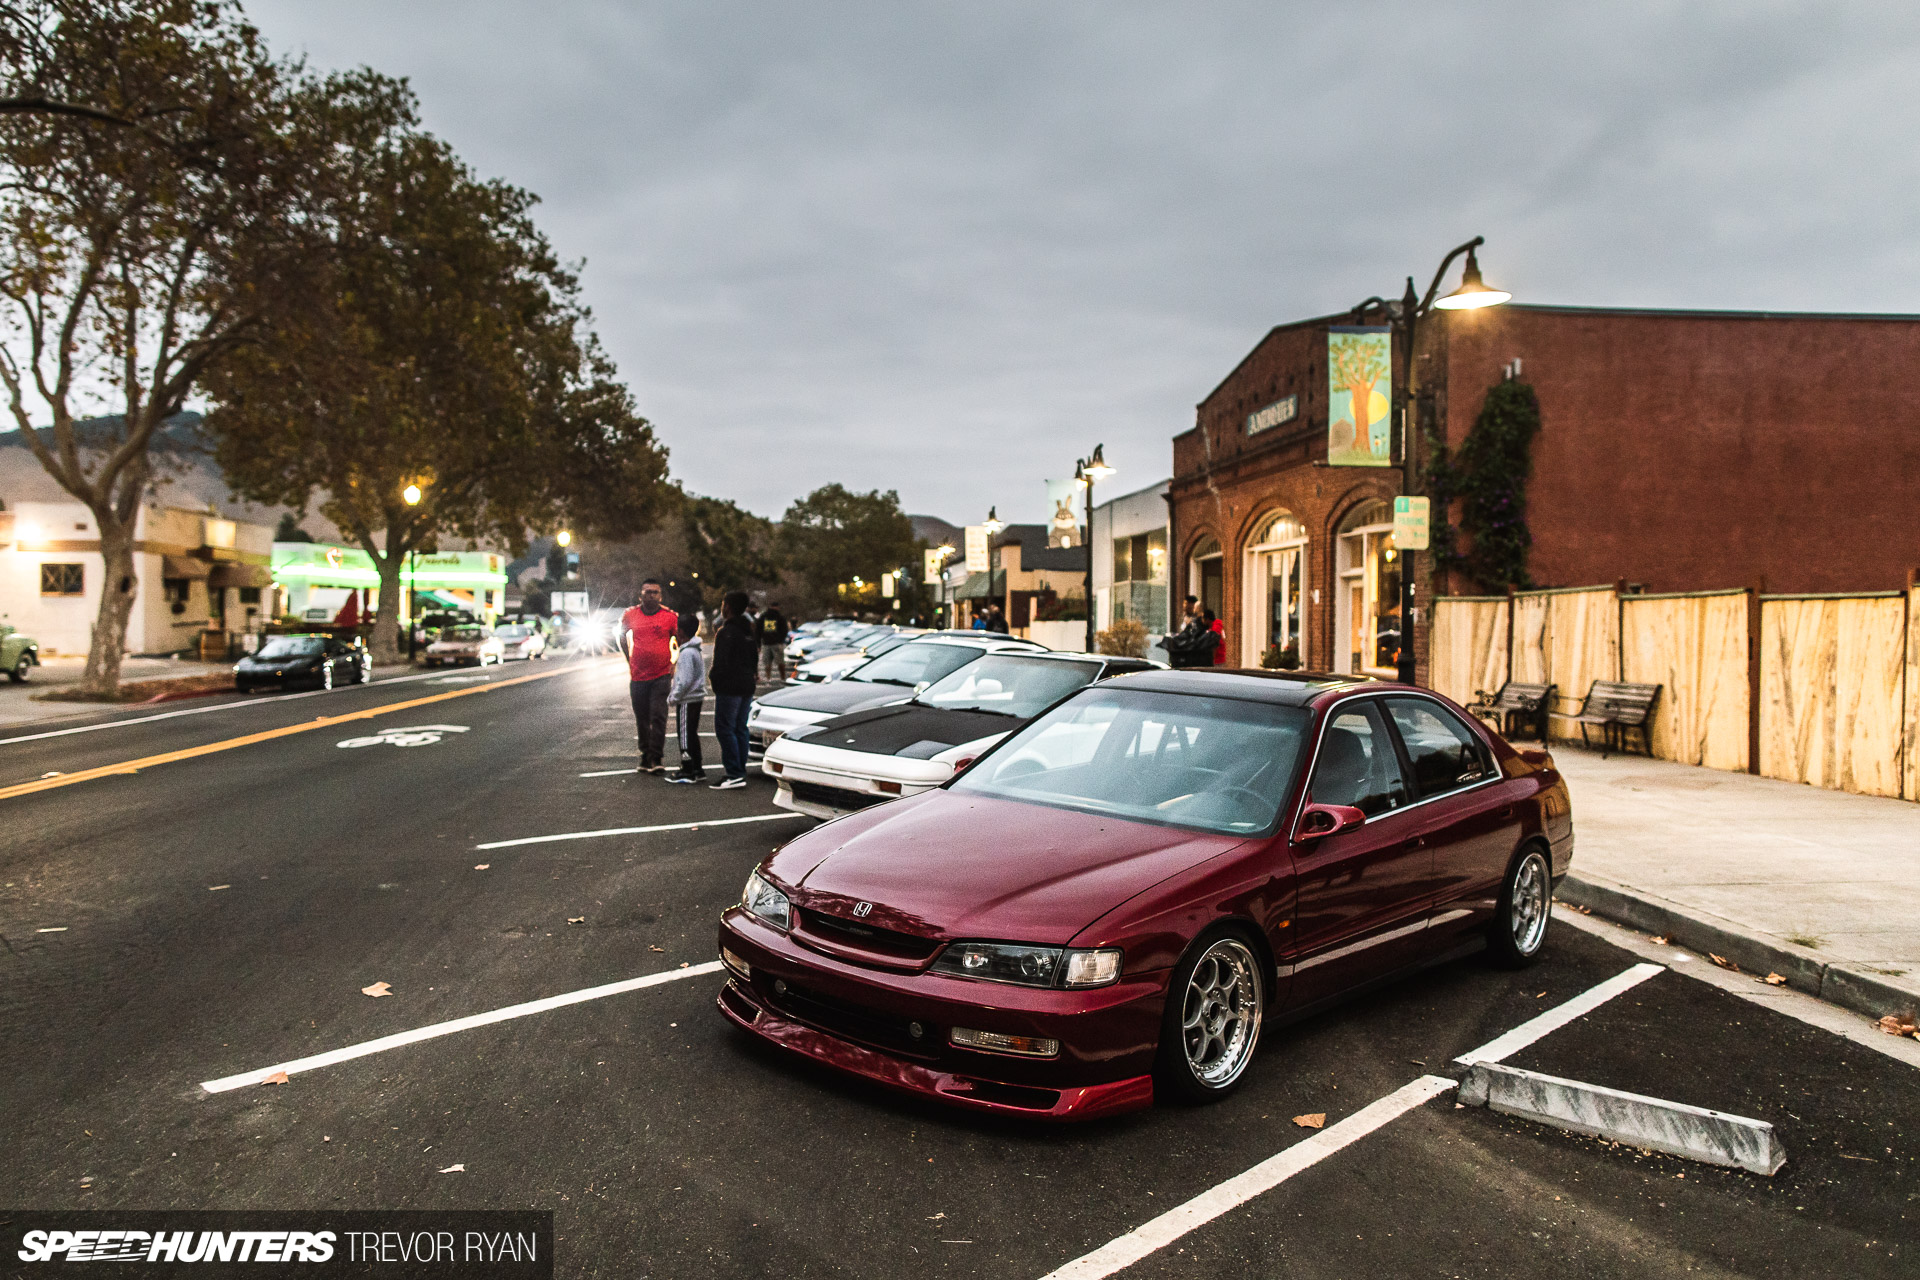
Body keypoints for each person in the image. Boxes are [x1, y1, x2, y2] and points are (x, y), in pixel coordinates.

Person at [619, 579, 678, 772]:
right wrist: (630, 658)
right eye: (647, 592)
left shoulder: (669, 616)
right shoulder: (630, 615)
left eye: (655, 592)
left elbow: (682, 639)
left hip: (661, 675)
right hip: (638, 676)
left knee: (658, 716)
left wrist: (674, 663)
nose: (651, 595)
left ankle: (657, 757)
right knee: (642, 718)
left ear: (660, 596)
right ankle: (645, 755)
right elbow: (622, 636)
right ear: (640, 595)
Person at [709, 589, 758, 789]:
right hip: (747, 684)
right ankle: (739, 769)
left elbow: (721, 663)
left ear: (727, 607)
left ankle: (734, 773)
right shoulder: (748, 630)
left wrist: (715, 680)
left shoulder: (726, 632)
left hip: (730, 687)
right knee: (740, 728)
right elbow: (755, 656)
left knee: (725, 728)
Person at [664, 612, 706, 783]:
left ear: (680, 632)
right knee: (691, 733)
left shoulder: (687, 653)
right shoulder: (693, 650)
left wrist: (673, 697)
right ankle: (697, 768)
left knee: (685, 735)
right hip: (694, 698)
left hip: (688, 699)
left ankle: (688, 768)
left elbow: (685, 680)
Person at [1163, 595, 1210, 668]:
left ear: (1192, 604)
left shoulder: (1198, 620)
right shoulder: (1183, 616)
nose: (1184, 605)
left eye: (1186, 603)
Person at [756, 601, 789, 683]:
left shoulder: (764, 616)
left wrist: (759, 643)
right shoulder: (779, 617)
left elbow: (758, 631)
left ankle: (768, 678)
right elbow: (784, 630)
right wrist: (780, 640)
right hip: (776, 643)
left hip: (767, 643)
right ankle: (782, 677)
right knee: (780, 662)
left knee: (767, 663)